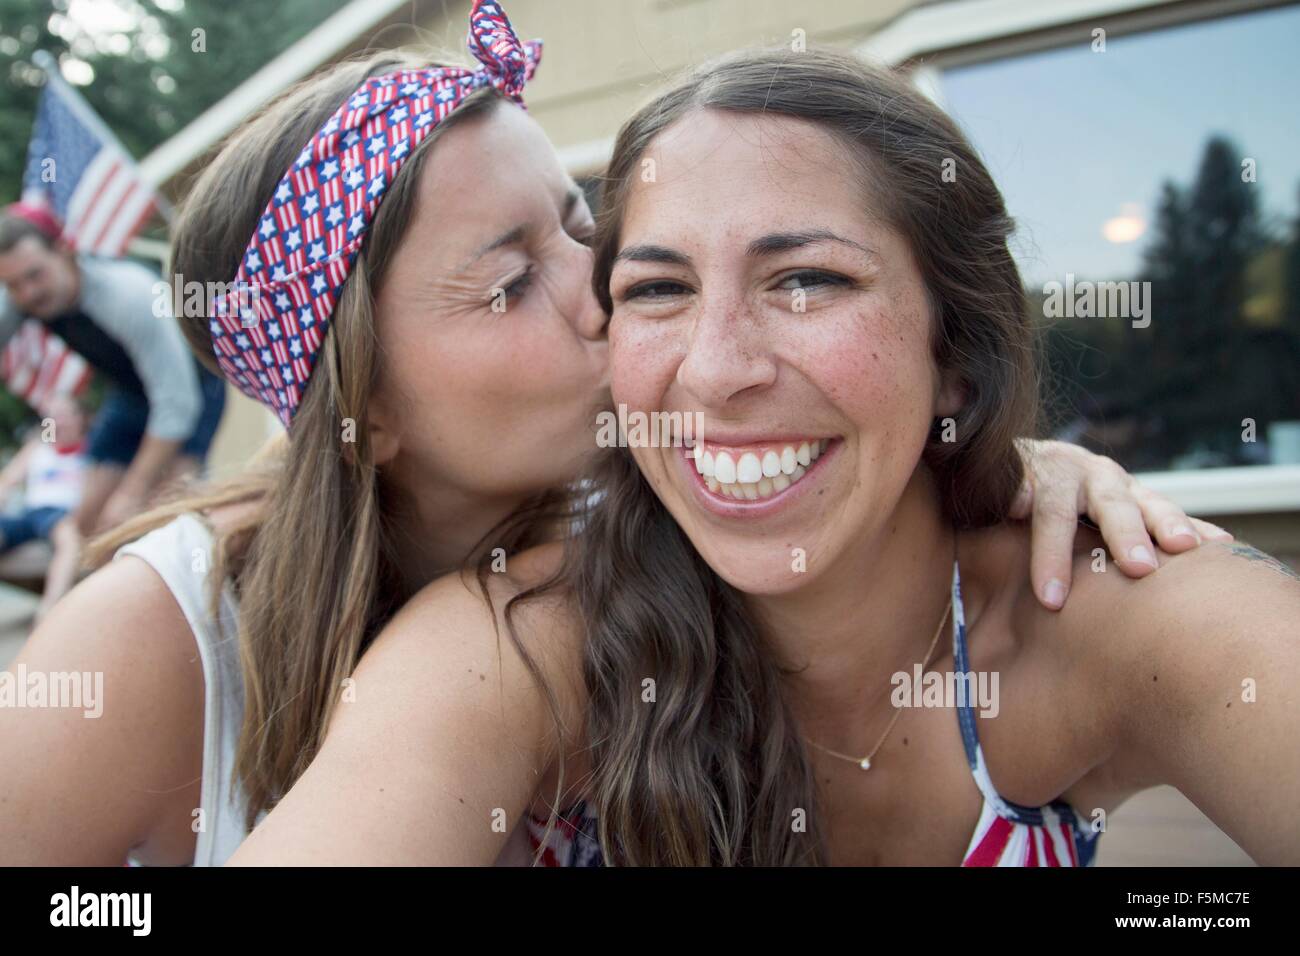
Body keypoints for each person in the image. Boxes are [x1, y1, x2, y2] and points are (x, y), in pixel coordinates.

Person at [0, 2, 1219, 868]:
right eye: (508, 280)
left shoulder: (680, 524)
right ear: (363, 415)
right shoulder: (163, 630)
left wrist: (1000, 464)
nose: (614, 285)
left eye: (577, 221)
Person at [0, 204, 226, 552]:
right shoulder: (22, 298)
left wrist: (133, 490)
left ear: (64, 252)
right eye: (13, 285)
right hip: (131, 394)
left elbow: (177, 405)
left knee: (166, 518)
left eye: (35, 275)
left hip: (191, 391)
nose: (28, 293)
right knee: (88, 526)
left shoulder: (128, 296)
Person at [0, 394, 87, 618]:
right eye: (53, 416)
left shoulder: (90, 452)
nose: (58, 421)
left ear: (80, 418)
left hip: (62, 516)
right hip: (30, 515)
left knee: (68, 536)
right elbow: (8, 480)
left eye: (65, 414)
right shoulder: (40, 448)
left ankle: (48, 613)